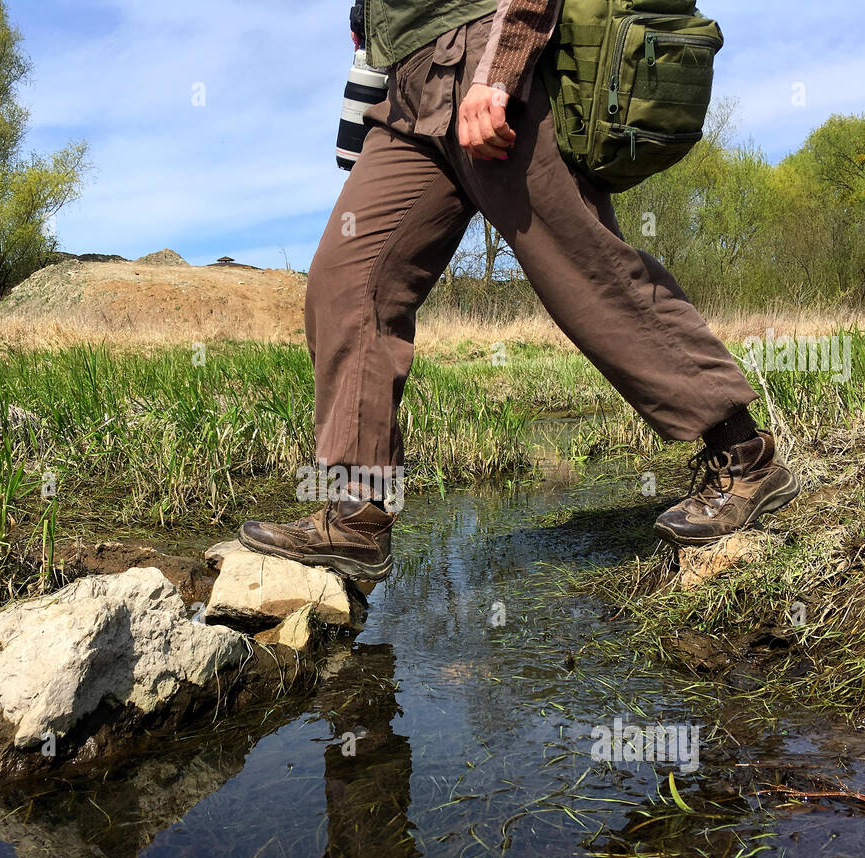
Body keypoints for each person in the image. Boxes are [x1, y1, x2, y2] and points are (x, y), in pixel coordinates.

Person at [239, 0, 799, 581]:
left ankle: (745, 456)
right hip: (404, 97)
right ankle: (356, 515)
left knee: (583, 270)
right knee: (347, 282)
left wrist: (498, 73)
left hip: (483, 64)